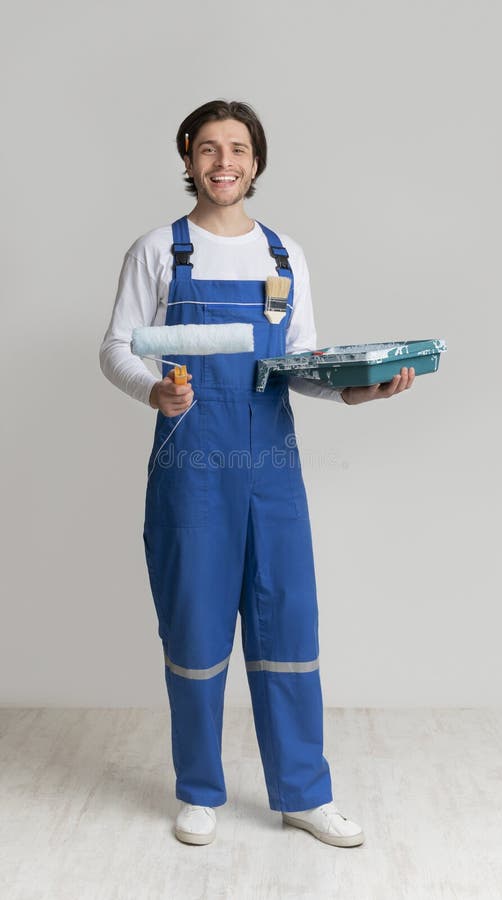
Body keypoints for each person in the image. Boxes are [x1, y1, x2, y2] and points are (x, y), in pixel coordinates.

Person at [99, 99, 415, 848]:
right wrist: (155, 389)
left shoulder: (285, 255)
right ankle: (200, 791)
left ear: (257, 161)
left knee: (286, 627)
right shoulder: (158, 251)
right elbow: (116, 346)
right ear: (187, 157)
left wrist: (353, 388)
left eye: (237, 148)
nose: (223, 162)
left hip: (271, 469)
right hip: (192, 470)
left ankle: (303, 794)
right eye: (208, 149)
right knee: (196, 626)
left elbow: (298, 364)